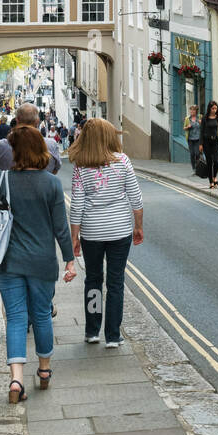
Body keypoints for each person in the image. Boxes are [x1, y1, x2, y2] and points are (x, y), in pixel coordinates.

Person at [0, 126, 76, 403]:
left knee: (15, 318)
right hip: (42, 261)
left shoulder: (1, 180)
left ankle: (15, 379)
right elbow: (61, 229)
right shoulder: (51, 183)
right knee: (40, 314)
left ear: (15, 152)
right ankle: (45, 371)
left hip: (7, 262)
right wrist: (70, 261)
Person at [68, 118, 144, 348]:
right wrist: (138, 226)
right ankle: (113, 335)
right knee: (116, 282)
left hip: (91, 232)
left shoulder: (81, 166)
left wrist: (74, 236)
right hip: (120, 230)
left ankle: (92, 331)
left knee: (93, 280)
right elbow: (136, 197)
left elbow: (77, 205)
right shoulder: (123, 161)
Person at [0, 102, 61, 174]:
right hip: (44, 184)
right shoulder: (51, 145)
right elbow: (55, 170)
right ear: (37, 121)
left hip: (11, 184)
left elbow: (0, 169)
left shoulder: (2, 145)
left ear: (17, 120)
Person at [200, 100, 218, 188]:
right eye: (213, 108)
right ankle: (211, 181)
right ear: (209, 108)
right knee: (209, 162)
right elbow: (201, 131)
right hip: (206, 142)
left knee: (216, 161)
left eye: (215, 108)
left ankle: (215, 177)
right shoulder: (205, 118)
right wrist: (201, 144)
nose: (214, 110)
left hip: (215, 141)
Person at [183, 106, 201, 173]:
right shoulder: (187, 119)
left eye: (193, 110)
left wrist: (201, 123)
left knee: (197, 153)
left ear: (196, 111)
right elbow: (184, 128)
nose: (192, 112)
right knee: (192, 154)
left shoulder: (199, 117)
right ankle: (194, 168)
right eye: (191, 110)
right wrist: (188, 127)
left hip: (198, 138)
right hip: (190, 139)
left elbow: (204, 126)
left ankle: (198, 166)